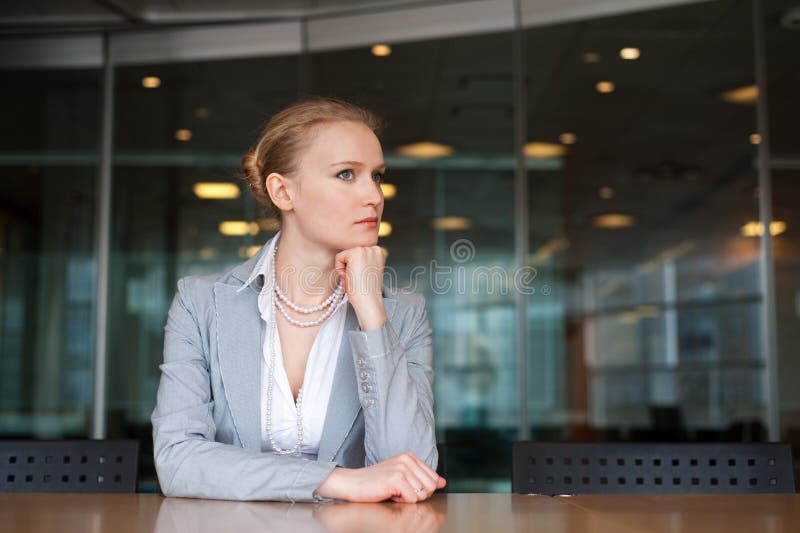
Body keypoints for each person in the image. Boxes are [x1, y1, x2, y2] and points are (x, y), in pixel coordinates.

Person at [151, 97, 445, 503]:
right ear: (283, 191)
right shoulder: (200, 303)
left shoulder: (402, 313)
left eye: (376, 176)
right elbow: (178, 460)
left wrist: (371, 314)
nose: (374, 196)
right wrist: (338, 481)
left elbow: (410, 470)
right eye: (346, 174)